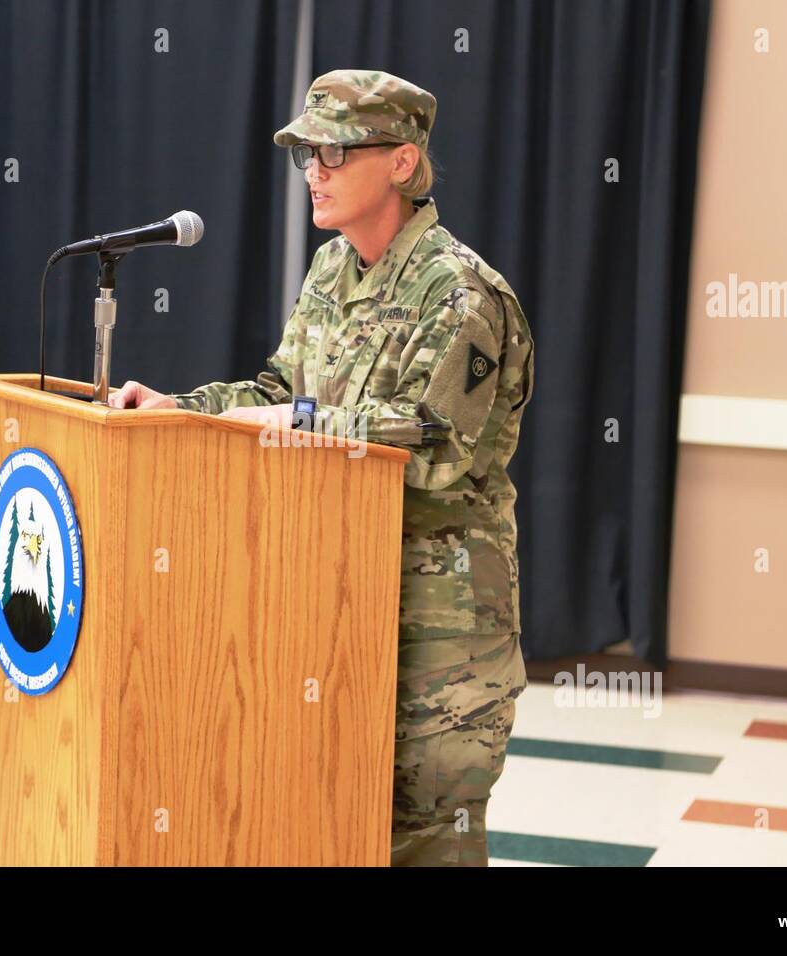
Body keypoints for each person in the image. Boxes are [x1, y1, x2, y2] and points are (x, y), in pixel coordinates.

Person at [111, 69, 534, 864]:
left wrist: (295, 420)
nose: (315, 171)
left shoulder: (461, 292)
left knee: (425, 842)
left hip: (439, 632)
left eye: (335, 152)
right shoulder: (332, 272)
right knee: (328, 823)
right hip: (330, 609)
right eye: (306, 154)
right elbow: (278, 390)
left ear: (403, 164)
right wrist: (184, 408)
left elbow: (437, 445)